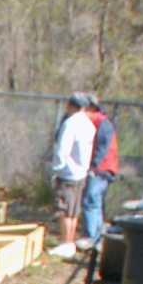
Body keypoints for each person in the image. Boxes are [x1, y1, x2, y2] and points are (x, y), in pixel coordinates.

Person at [51, 92, 96, 255]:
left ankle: (65, 242)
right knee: (74, 210)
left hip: (68, 173)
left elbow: (62, 150)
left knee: (64, 208)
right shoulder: (88, 124)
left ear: (71, 105)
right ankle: (69, 242)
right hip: (81, 173)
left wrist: (57, 168)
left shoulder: (70, 123)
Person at [83, 97, 119, 253]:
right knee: (95, 203)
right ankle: (97, 238)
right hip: (101, 168)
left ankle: (92, 238)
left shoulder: (102, 123)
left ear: (91, 108)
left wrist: (94, 166)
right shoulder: (98, 122)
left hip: (102, 169)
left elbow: (103, 147)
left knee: (91, 200)